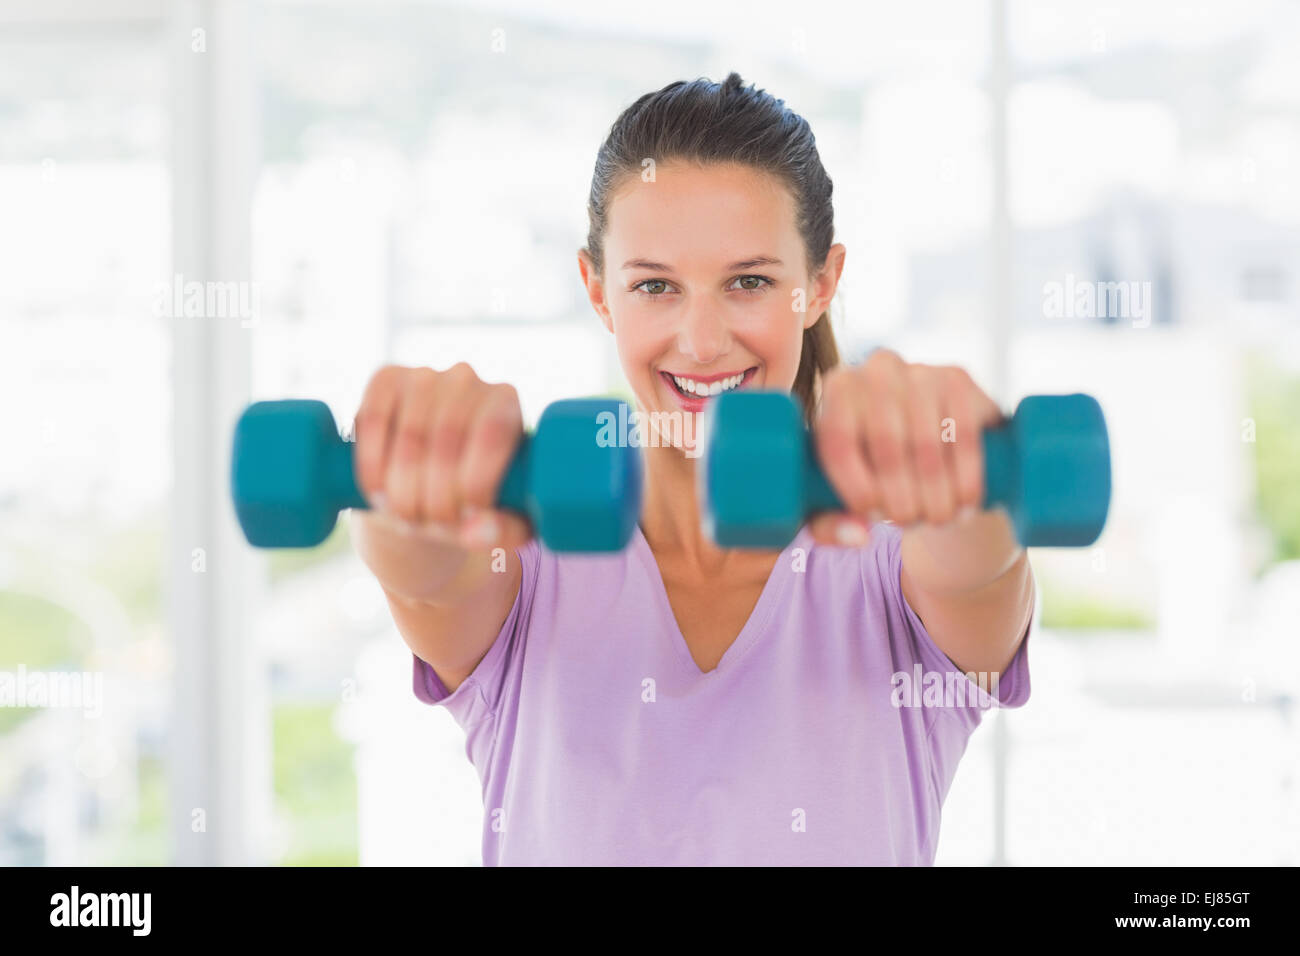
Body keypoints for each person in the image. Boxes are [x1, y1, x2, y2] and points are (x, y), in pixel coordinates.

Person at [350, 72, 1035, 865]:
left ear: (820, 285)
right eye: (654, 286)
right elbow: (419, 565)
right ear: (598, 292)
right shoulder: (523, 565)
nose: (702, 341)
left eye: (749, 282)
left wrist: (955, 469)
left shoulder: (898, 569)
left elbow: (977, 564)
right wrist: (400, 483)